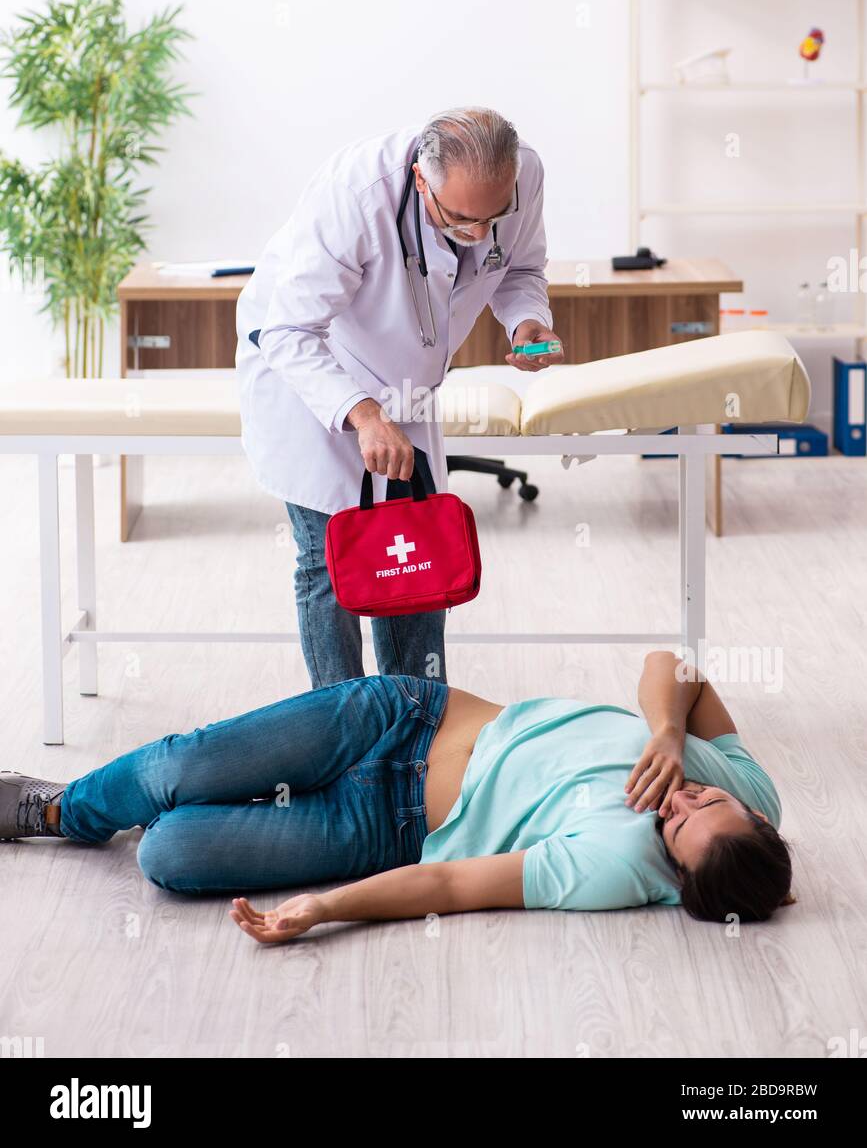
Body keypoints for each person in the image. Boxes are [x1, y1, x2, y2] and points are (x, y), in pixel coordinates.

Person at [1, 651, 793, 938]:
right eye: (704, 804)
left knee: (169, 852)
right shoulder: (744, 783)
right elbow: (673, 663)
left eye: (675, 831)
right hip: (400, 718)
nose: (675, 804)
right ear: (751, 810)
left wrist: (324, 907)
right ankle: (56, 810)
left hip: (384, 826)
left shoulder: (618, 868)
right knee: (174, 771)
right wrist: (663, 733)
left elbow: (449, 883)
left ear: (674, 878)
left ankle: (137, 800)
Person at [235, 108, 564, 689]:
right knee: (329, 561)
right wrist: (362, 414)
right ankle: (344, 732)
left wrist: (526, 321)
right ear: (420, 180)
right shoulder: (353, 195)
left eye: (494, 216)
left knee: (417, 559)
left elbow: (520, 268)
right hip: (316, 369)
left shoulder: (522, 176)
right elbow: (290, 332)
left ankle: (419, 721)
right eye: (461, 218)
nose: (480, 232)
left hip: (407, 379)